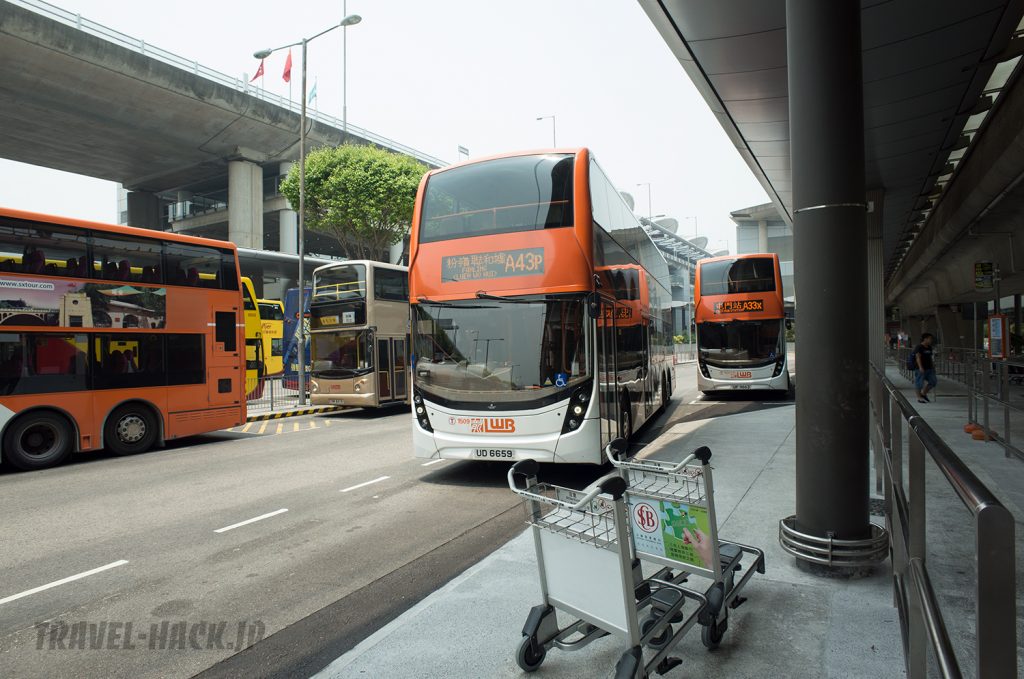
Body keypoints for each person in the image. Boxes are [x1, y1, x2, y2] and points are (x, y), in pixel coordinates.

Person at [914, 333, 936, 403]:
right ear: (925, 339)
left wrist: (933, 367)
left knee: (933, 381)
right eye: (930, 339)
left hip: (929, 368)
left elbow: (930, 357)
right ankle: (919, 397)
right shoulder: (919, 347)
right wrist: (920, 367)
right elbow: (918, 357)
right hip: (921, 368)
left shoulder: (929, 347)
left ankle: (923, 393)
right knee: (919, 383)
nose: (931, 340)